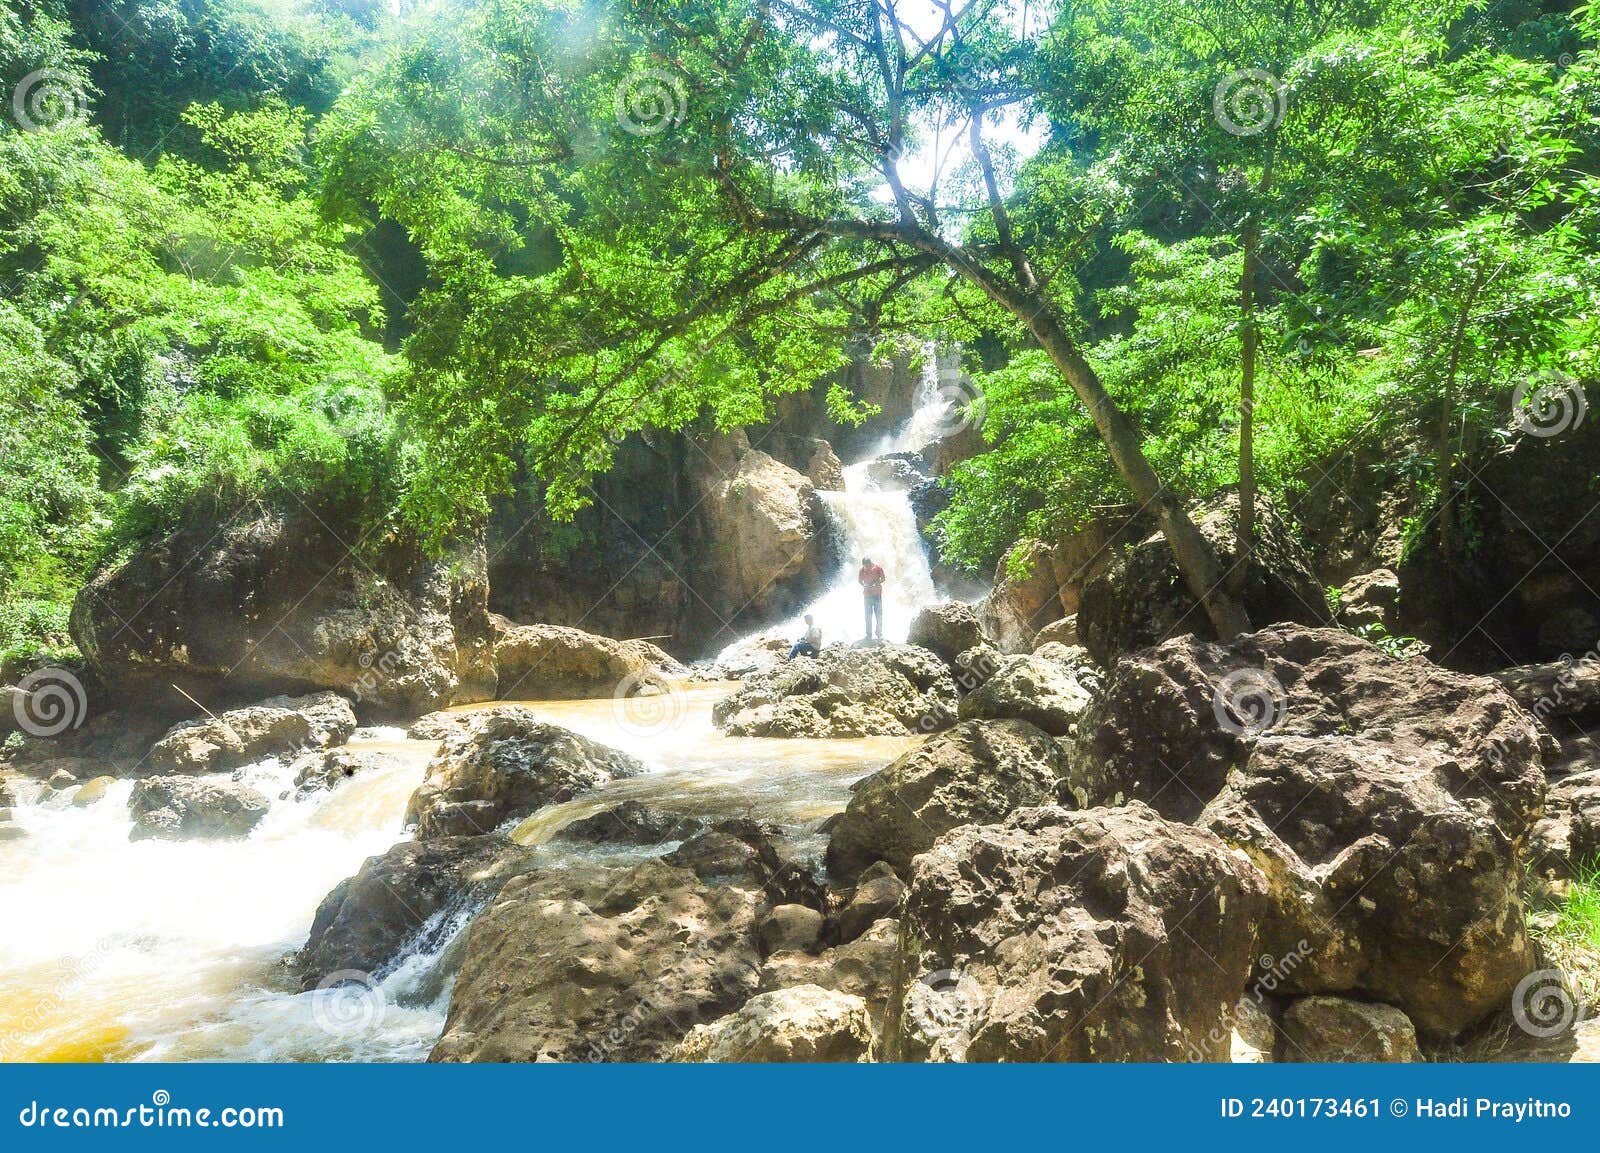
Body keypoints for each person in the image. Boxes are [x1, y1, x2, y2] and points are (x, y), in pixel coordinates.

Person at [858, 556, 886, 641]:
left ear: (871, 563)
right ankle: (868, 635)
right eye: (865, 566)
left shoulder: (878, 568)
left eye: (868, 566)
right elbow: (859, 581)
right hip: (867, 595)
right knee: (868, 616)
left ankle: (879, 634)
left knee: (878, 615)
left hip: (877, 594)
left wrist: (877, 583)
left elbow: (883, 579)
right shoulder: (862, 570)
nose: (867, 568)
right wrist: (864, 585)